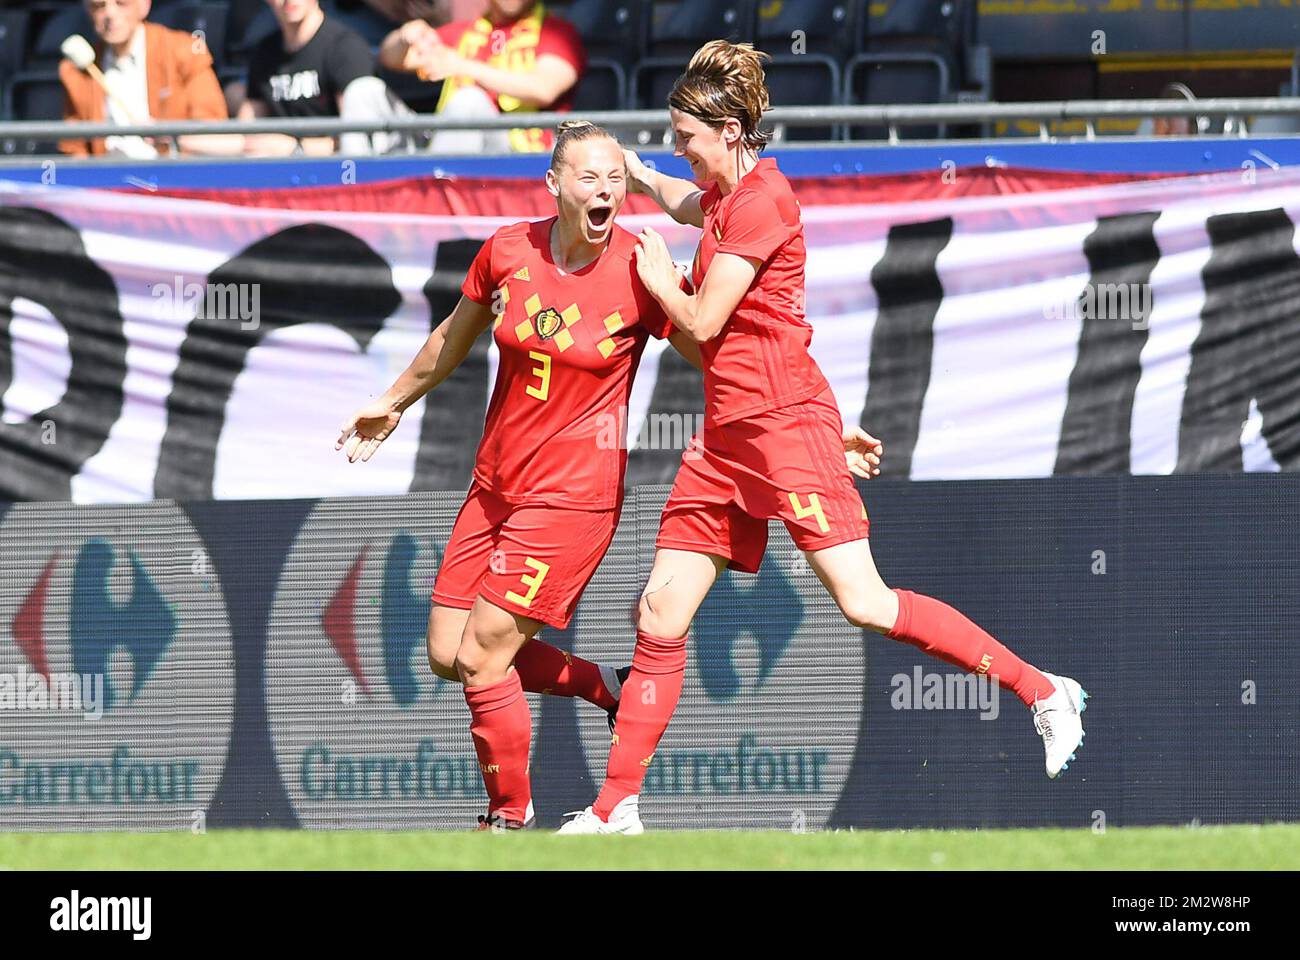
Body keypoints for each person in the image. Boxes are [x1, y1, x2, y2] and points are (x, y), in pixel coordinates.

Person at [559, 41, 1089, 835]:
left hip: (783, 430)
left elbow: (701, 320)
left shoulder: (762, 203)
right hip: (727, 440)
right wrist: (633, 172)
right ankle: (614, 810)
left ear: (730, 131)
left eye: (685, 137)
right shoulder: (723, 195)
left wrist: (661, 279)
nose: (678, 149)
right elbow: (684, 206)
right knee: (659, 614)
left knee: (866, 603)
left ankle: (1044, 691)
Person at [335, 120, 707, 830]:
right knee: (448, 654)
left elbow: (716, 351)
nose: (606, 190)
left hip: (572, 499)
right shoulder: (508, 249)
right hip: (494, 485)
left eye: (615, 178)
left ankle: (508, 822)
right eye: (589, 178)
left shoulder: (641, 266)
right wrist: (392, 403)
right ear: (555, 184)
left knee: (482, 656)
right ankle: (607, 686)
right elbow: (452, 334)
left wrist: (806, 419)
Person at [366, 0, 584, 154]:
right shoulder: (465, 32)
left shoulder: (557, 32)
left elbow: (543, 89)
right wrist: (404, 37)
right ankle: (354, 195)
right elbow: (393, 58)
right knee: (366, 90)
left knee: (470, 100)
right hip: (447, 142)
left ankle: (439, 196)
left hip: (518, 158)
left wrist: (464, 67)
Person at [59, 0, 236, 158]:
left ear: (144, 5)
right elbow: (74, 150)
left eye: (121, 3)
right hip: (109, 183)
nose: (110, 14)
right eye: (98, 6)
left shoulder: (184, 51)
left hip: (170, 178)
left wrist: (170, 136)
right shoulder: (78, 72)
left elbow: (216, 134)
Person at [239, 0, 377, 157]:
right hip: (278, 172)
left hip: (335, 173)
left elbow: (358, 139)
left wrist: (296, 148)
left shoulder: (346, 48)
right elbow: (246, 134)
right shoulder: (263, 52)